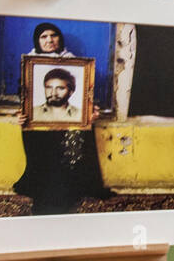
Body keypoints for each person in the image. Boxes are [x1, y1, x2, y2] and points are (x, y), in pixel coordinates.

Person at [14, 27, 107, 216]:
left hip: (68, 125)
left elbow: (86, 97)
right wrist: (21, 115)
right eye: (43, 36)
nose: (49, 40)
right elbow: (23, 99)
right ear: (37, 41)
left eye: (53, 35)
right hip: (39, 125)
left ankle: (68, 185)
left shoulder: (76, 64)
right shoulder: (28, 66)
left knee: (74, 139)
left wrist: (89, 113)